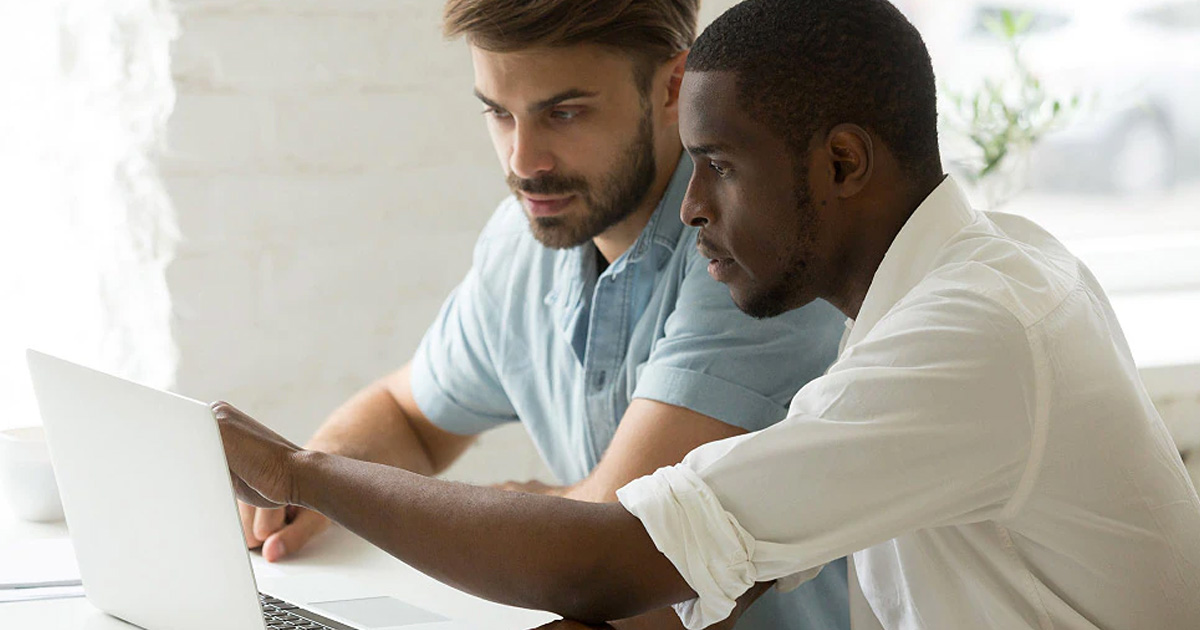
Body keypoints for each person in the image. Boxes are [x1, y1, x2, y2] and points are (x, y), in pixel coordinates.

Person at [217, 0, 1200, 628]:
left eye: (720, 169)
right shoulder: (941, 300)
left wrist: (307, 474)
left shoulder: (973, 336)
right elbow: (700, 561)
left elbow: (614, 561)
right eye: (498, 113)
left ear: (844, 165)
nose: (692, 208)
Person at [235, 1, 848, 629]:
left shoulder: (750, 255)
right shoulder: (524, 242)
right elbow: (408, 418)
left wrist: (331, 483)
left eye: (564, 112)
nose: (523, 162)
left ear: (674, 87)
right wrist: (310, 489)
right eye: (499, 113)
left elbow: (615, 549)